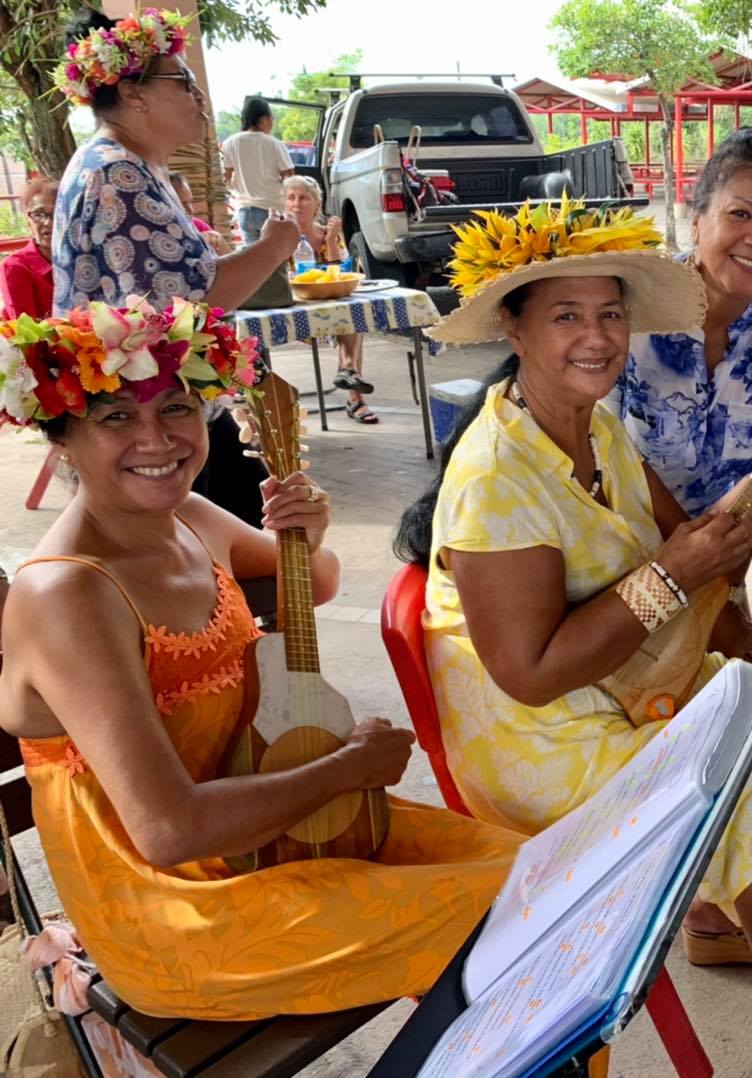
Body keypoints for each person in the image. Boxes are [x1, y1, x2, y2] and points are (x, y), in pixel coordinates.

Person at [409, 202, 752, 1078]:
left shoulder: (594, 423)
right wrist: (678, 576)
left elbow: (701, 538)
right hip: (537, 735)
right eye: (565, 315)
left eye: (610, 313)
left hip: (625, 679)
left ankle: (717, 917)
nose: (595, 337)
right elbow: (529, 675)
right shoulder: (494, 474)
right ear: (515, 329)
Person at [0, 297, 523, 1020]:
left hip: (265, 817)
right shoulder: (69, 594)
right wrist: (345, 768)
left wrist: (307, 529)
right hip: (176, 911)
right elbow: (169, 830)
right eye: (116, 416)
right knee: (521, 924)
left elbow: (320, 576)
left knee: (545, 874)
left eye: (178, 408)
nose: (157, 439)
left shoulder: (185, 517)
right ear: (62, 439)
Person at [613, 128, 752, 659]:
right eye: (740, 214)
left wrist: (721, 594)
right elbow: (605, 453)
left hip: (723, 557)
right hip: (609, 562)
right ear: (697, 218)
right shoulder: (631, 306)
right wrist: (699, 585)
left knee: (739, 716)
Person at [50, 9, 299, 314]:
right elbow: (184, 307)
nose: (199, 95)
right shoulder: (117, 175)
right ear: (133, 94)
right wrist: (274, 246)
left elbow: (183, 282)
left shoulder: (121, 164)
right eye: (184, 81)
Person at [283, 174, 377, 424]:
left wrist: (332, 239)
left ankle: (353, 389)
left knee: (353, 315)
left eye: (303, 198)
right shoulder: (278, 235)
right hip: (296, 312)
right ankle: (350, 377)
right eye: (291, 198)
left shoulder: (328, 232)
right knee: (348, 318)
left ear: (317, 205)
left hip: (330, 308)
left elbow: (340, 271)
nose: (296, 203)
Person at [221, 96, 294, 247]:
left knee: (255, 263)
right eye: (272, 118)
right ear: (264, 119)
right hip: (271, 209)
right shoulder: (274, 143)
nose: (272, 123)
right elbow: (290, 178)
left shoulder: (229, 143)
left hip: (244, 212)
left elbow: (226, 177)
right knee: (277, 261)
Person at [1, 176, 58, 320]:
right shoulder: (15, 267)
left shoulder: (81, 259)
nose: (48, 223)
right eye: (38, 215)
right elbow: (26, 335)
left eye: (56, 214)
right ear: (28, 221)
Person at [171, 170, 232, 256]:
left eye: (191, 202)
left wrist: (218, 239)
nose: (191, 210)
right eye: (182, 204)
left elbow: (228, 259)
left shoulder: (198, 225)